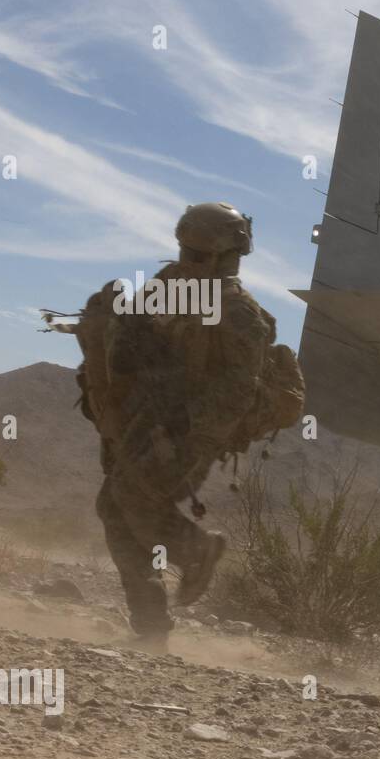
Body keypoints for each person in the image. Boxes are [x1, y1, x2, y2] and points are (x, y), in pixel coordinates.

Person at [71, 202, 278, 641]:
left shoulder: (239, 312)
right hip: (142, 418)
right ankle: (149, 625)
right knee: (115, 507)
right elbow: (130, 339)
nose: (188, 263)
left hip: (191, 431)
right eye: (184, 252)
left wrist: (187, 424)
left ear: (228, 256)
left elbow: (241, 388)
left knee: (133, 497)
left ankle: (197, 550)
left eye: (198, 256)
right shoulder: (169, 289)